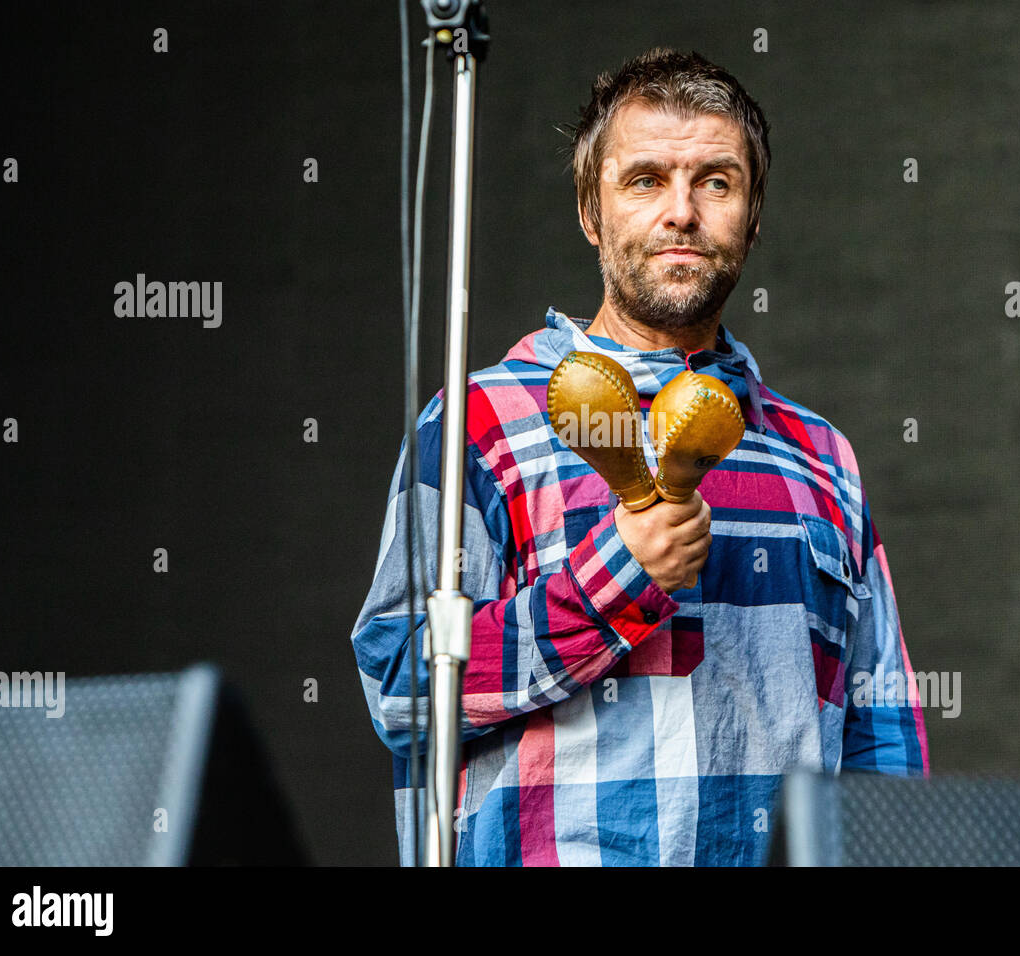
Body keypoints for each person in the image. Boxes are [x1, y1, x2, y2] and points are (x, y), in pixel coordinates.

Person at [351, 47, 929, 867]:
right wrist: (613, 576)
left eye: (716, 182)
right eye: (645, 179)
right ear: (592, 212)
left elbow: (883, 737)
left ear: (753, 216)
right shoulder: (478, 422)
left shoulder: (820, 456)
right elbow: (401, 686)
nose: (682, 213)